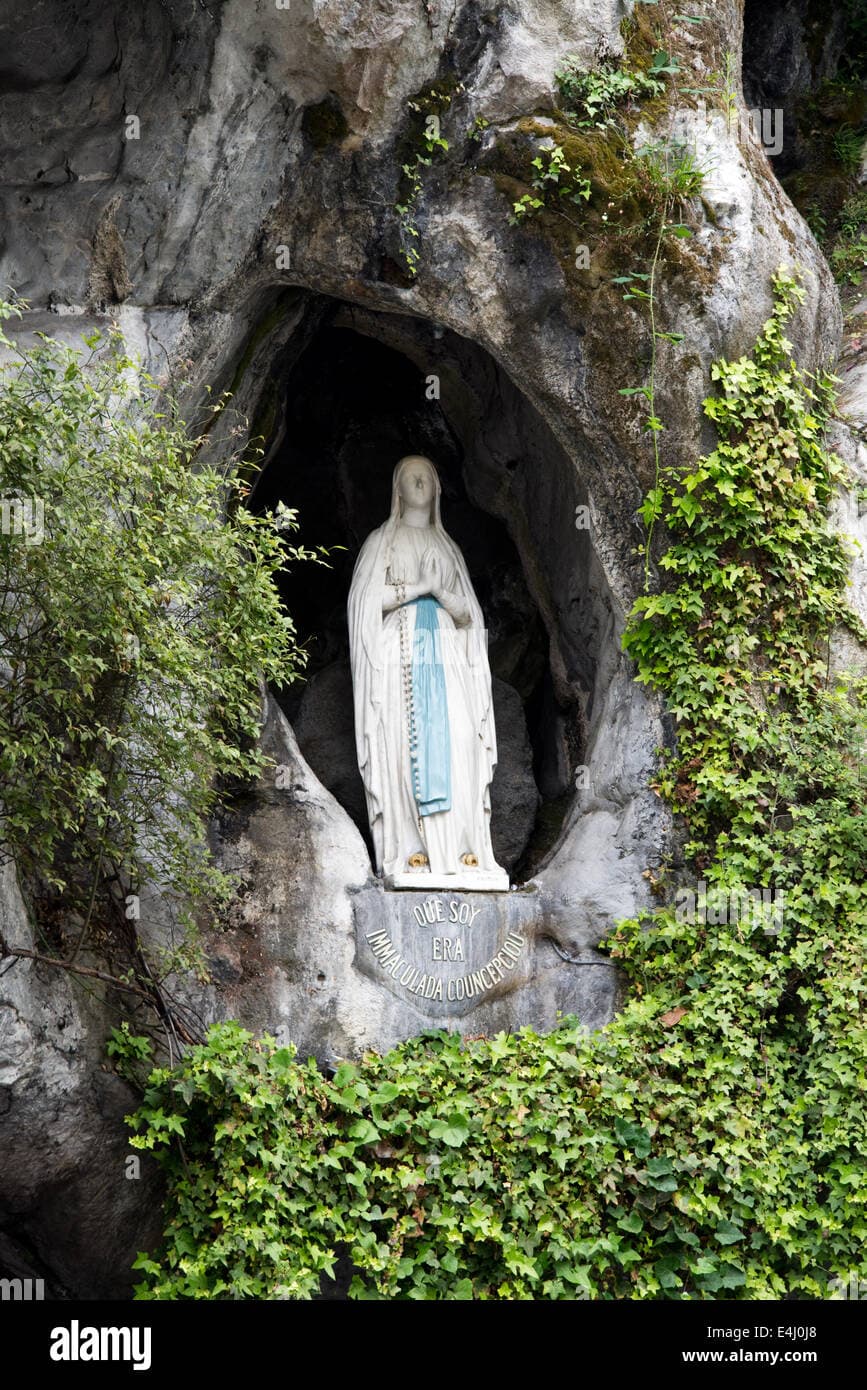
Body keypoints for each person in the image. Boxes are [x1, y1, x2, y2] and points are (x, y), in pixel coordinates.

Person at [348, 454, 507, 888]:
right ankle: (411, 851)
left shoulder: (448, 548)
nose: (419, 482)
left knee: (459, 741)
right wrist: (420, 589)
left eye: (426, 477)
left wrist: (441, 593)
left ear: (438, 488)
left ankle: (463, 851)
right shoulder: (383, 541)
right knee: (403, 744)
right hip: (399, 658)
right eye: (409, 477)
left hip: (447, 656)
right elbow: (364, 603)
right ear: (396, 490)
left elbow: (469, 616)